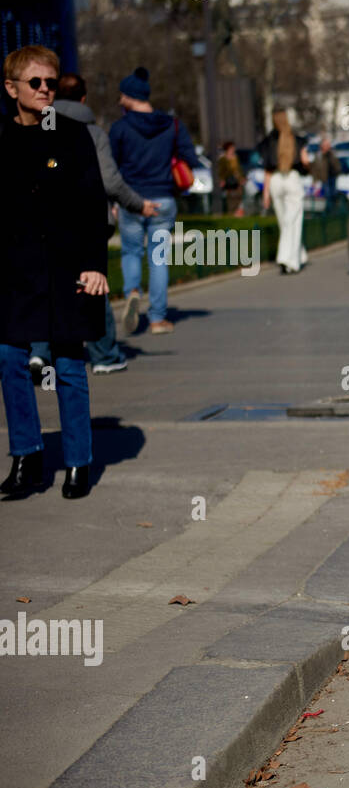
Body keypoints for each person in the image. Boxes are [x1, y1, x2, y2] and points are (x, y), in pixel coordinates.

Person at [0, 45, 108, 500]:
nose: (46, 90)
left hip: (67, 268)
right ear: (12, 89)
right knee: (8, 356)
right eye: (36, 83)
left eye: (51, 82)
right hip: (16, 272)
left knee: (67, 363)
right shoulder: (3, 139)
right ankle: (26, 457)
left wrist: (95, 266)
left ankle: (78, 463)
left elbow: (92, 203)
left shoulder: (70, 136)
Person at [31, 72, 159, 379]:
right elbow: (110, 181)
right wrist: (138, 204)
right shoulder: (91, 133)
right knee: (92, 285)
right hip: (86, 222)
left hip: (44, 222)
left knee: (46, 285)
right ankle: (104, 355)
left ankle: (39, 352)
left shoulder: (36, 129)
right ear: (84, 99)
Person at [109, 66, 200, 336]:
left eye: (121, 95)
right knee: (158, 258)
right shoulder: (172, 124)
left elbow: (111, 166)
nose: (119, 100)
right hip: (163, 197)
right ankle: (158, 318)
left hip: (131, 198)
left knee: (131, 252)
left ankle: (132, 291)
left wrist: (116, 198)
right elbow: (190, 158)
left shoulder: (120, 128)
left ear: (129, 96)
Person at [255, 107, 311, 274]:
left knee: (285, 222)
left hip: (275, 181)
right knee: (292, 221)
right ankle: (288, 259)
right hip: (291, 178)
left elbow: (267, 170)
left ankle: (299, 255)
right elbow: (305, 161)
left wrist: (265, 193)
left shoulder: (267, 142)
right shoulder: (297, 140)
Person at [309, 136, 341, 210]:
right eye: (325, 145)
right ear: (321, 146)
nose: (327, 146)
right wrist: (314, 180)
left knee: (332, 195)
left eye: (328, 145)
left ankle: (333, 211)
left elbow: (337, 166)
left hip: (332, 178)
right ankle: (327, 211)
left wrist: (329, 154)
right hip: (323, 179)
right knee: (325, 196)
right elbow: (314, 168)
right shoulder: (318, 155)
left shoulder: (332, 154)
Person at [215, 141, 244, 216]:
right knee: (229, 197)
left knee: (238, 196)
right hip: (227, 180)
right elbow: (221, 170)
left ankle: (237, 212)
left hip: (236, 180)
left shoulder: (235, 157)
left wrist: (241, 178)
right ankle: (230, 212)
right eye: (231, 148)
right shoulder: (222, 158)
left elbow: (238, 169)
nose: (233, 149)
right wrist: (222, 179)